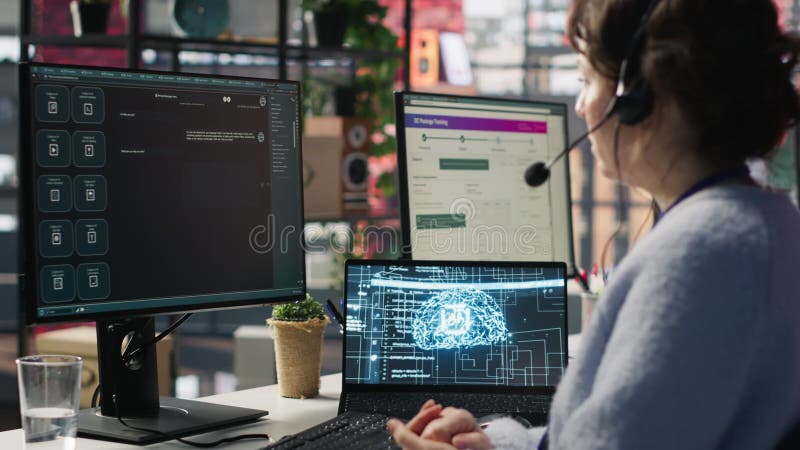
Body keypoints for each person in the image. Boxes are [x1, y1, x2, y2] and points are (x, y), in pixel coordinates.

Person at [387, 0, 800, 449]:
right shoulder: (761, 221)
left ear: (637, 94)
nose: (582, 105)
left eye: (586, 81)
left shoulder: (703, 253)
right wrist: (497, 443)